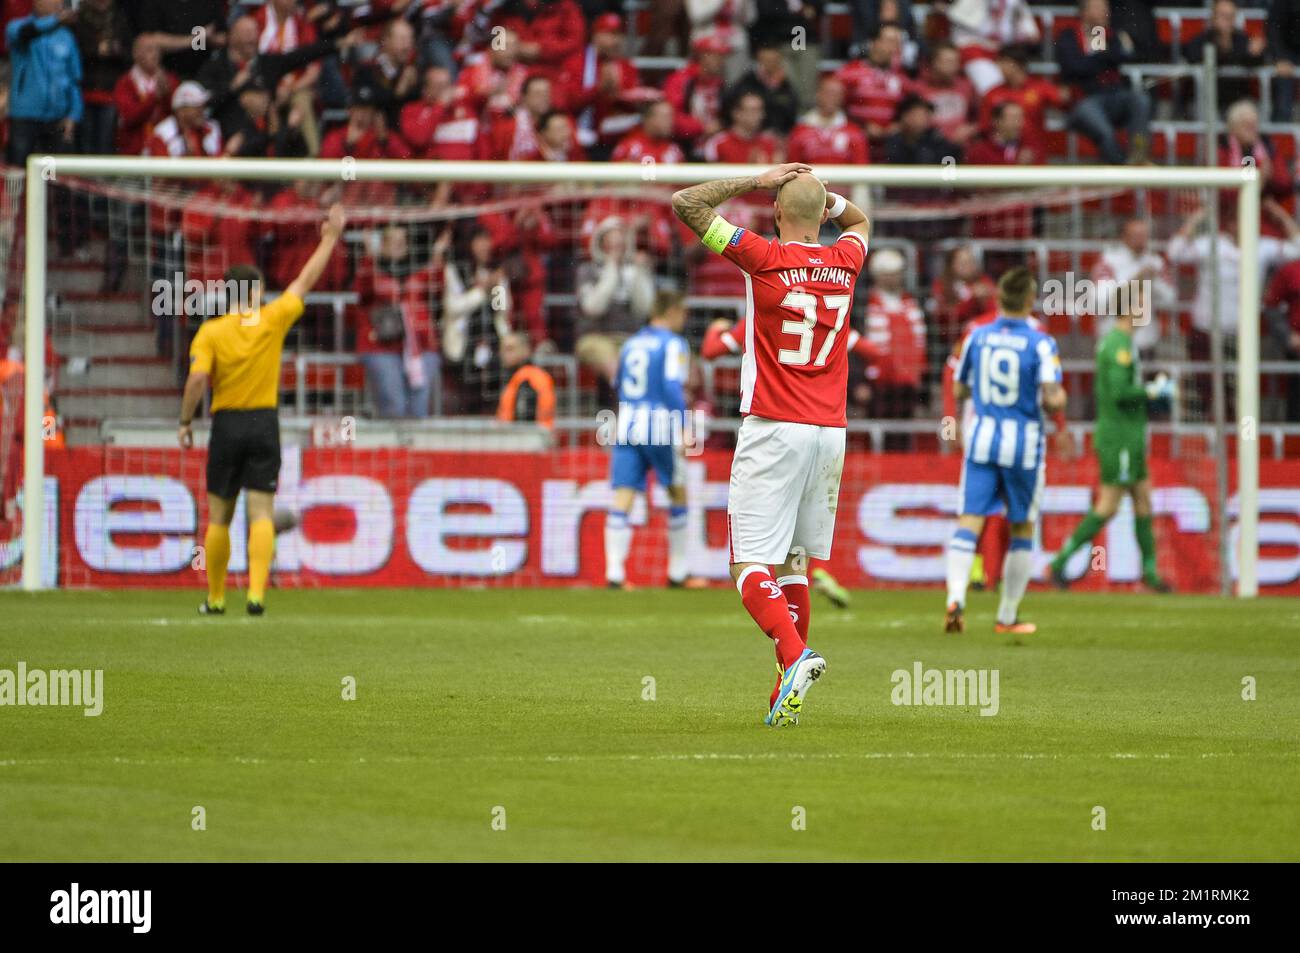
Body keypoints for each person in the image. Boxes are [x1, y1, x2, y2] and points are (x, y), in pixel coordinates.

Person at [671, 162, 870, 727]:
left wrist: (757, 179)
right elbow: (861, 221)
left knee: (746, 562)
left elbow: (687, 203)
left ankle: (793, 653)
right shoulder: (846, 261)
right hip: (830, 432)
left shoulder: (762, 256)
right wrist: (823, 200)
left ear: (778, 213)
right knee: (796, 564)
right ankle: (787, 681)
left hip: (774, 427)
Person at [179, 204, 347, 616]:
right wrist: (329, 238)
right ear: (252, 292)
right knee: (261, 513)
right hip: (264, 422)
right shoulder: (272, 319)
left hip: (227, 422)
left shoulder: (211, 331)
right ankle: (256, 595)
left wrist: (185, 421)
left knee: (219, 516)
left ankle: (216, 598)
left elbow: (198, 380)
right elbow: (305, 280)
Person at [944, 267, 1067, 635]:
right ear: (1030, 300)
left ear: (998, 298)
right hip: (1023, 446)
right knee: (1022, 526)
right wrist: (1059, 399)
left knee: (970, 520)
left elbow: (960, 389)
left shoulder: (977, 337)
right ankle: (1008, 616)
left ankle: (956, 598)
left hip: (981, 438)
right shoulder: (1041, 342)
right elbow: (1051, 396)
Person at [1049, 292, 1174, 592]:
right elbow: (1119, 392)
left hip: (1129, 436)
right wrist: (1153, 391)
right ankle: (1059, 562)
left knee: (1143, 498)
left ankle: (1150, 573)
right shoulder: (1119, 346)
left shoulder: (1120, 342)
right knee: (1108, 504)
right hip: (1119, 438)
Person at [604, 290, 696, 591]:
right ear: (670, 312)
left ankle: (615, 574)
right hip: (660, 427)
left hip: (628, 424)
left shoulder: (630, 343)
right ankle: (678, 573)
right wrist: (683, 424)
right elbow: (671, 385)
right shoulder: (673, 344)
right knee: (677, 492)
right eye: (681, 313)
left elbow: (618, 383)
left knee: (624, 495)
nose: (684, 320)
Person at [1055, 0, 1150, 164]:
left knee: (1140, 100)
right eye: (1099, 8)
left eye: (1106, 8)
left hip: (1112, 96)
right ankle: (1121, 168)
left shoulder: (1111, 34)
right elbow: (1073, 68)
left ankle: (1139, 155)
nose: (1105, 12)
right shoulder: (1068, 36)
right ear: (1084, 12)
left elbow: (1124, 56)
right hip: (1082, 100)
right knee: (1103, 129)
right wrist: (1101, 58)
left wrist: (1092, 60)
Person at [4, 0, 82, 166]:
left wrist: (73, 114)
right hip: (24, 115)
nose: (58, 4)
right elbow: (27, 33)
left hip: (57, 117)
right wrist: (56, 21)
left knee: (52, 176)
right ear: (36, 2)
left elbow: (74, 79)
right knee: (18, 171)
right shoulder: (17, 26)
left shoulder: (66, 36)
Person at [496, 333, 556, 430]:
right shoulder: (513, 376)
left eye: (510, 349)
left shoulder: (531, 377)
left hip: (526, 438)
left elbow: (530, 415)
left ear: (525, 350)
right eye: (502, 349)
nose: (504, 354)